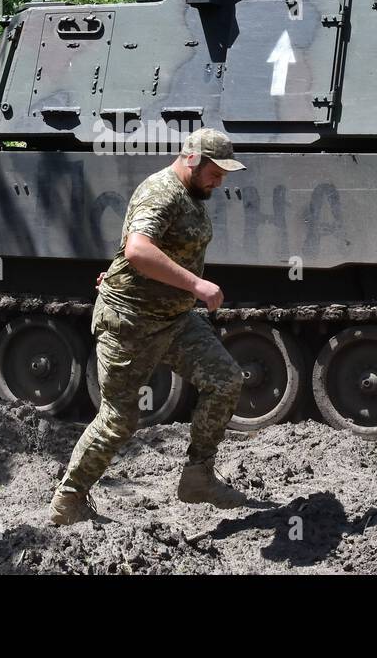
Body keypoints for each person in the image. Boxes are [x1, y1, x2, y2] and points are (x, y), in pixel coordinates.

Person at [49, 128, 249, 525]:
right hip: (130, 324)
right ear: (192, 158)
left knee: (225, 380)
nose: (221, 180)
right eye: (216, 170)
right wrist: (196, 284)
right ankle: (69, 500)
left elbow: (141, 249)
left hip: (174, 321)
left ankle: (197, 477)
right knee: (120, 419)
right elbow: (139, 248)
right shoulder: (162, 191)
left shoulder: (191, 194)